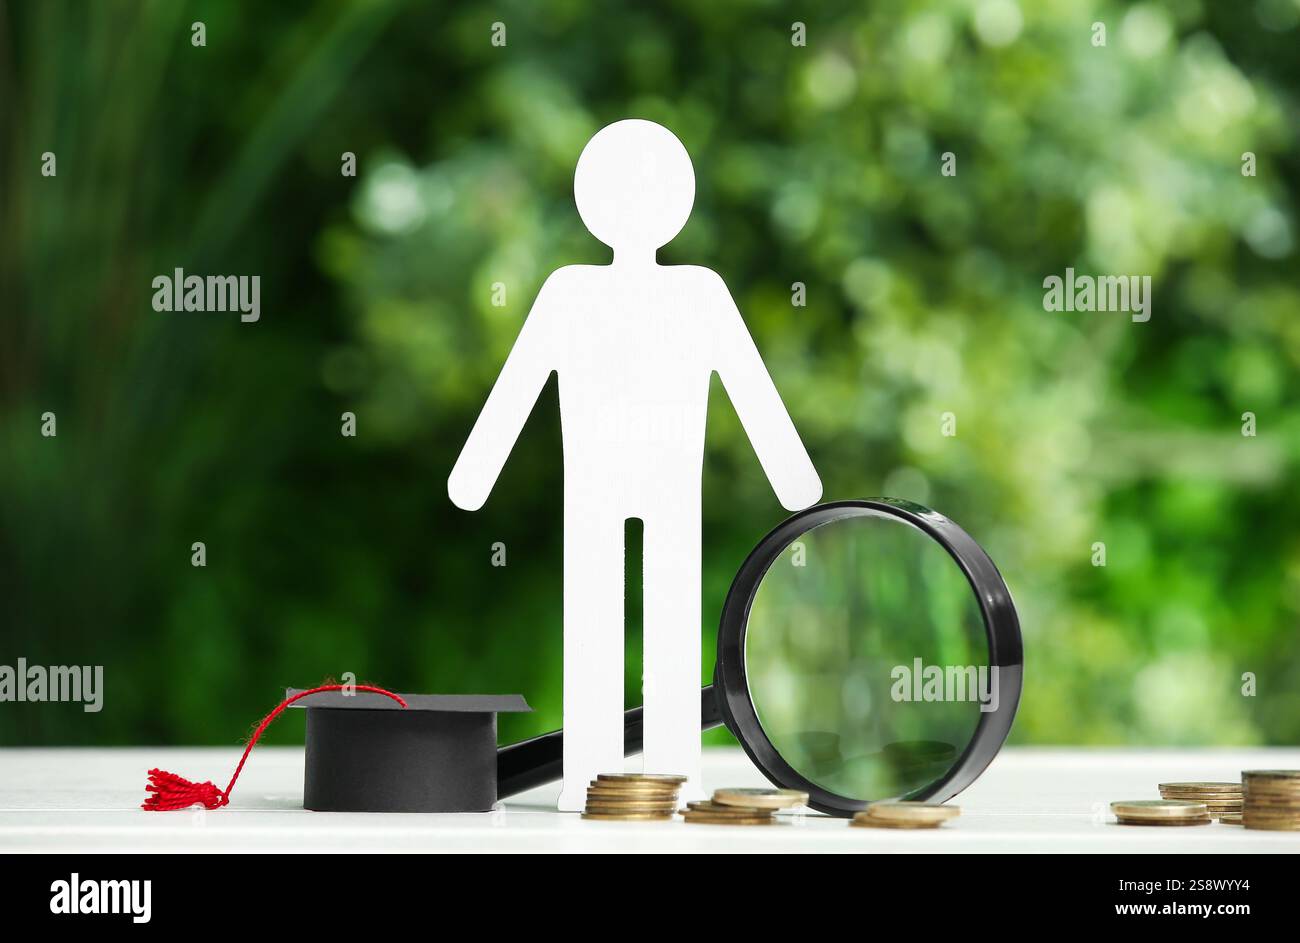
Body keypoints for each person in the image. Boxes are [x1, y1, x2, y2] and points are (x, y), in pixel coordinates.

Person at [449, 119, 821, 809]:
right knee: (607, 621)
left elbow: (750, 387)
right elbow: (519, 386)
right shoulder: (600, 292)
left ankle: (664, 775)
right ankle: (605, 775)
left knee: (657, 621)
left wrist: (791, 474)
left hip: (654, 487)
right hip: (608, 488)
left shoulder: (654, 292)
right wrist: (476, 469)